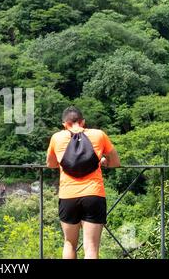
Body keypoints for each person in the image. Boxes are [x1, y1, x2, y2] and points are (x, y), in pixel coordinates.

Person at [46, 106, 120, 259]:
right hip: (94, 194)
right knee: (91, 248)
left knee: (69, 243)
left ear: (64, 124)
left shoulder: (57, 137)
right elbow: (115, 162)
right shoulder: (99, 135)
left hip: (68, 196)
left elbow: (51, 164)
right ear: (83, 122)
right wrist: (103, 160)